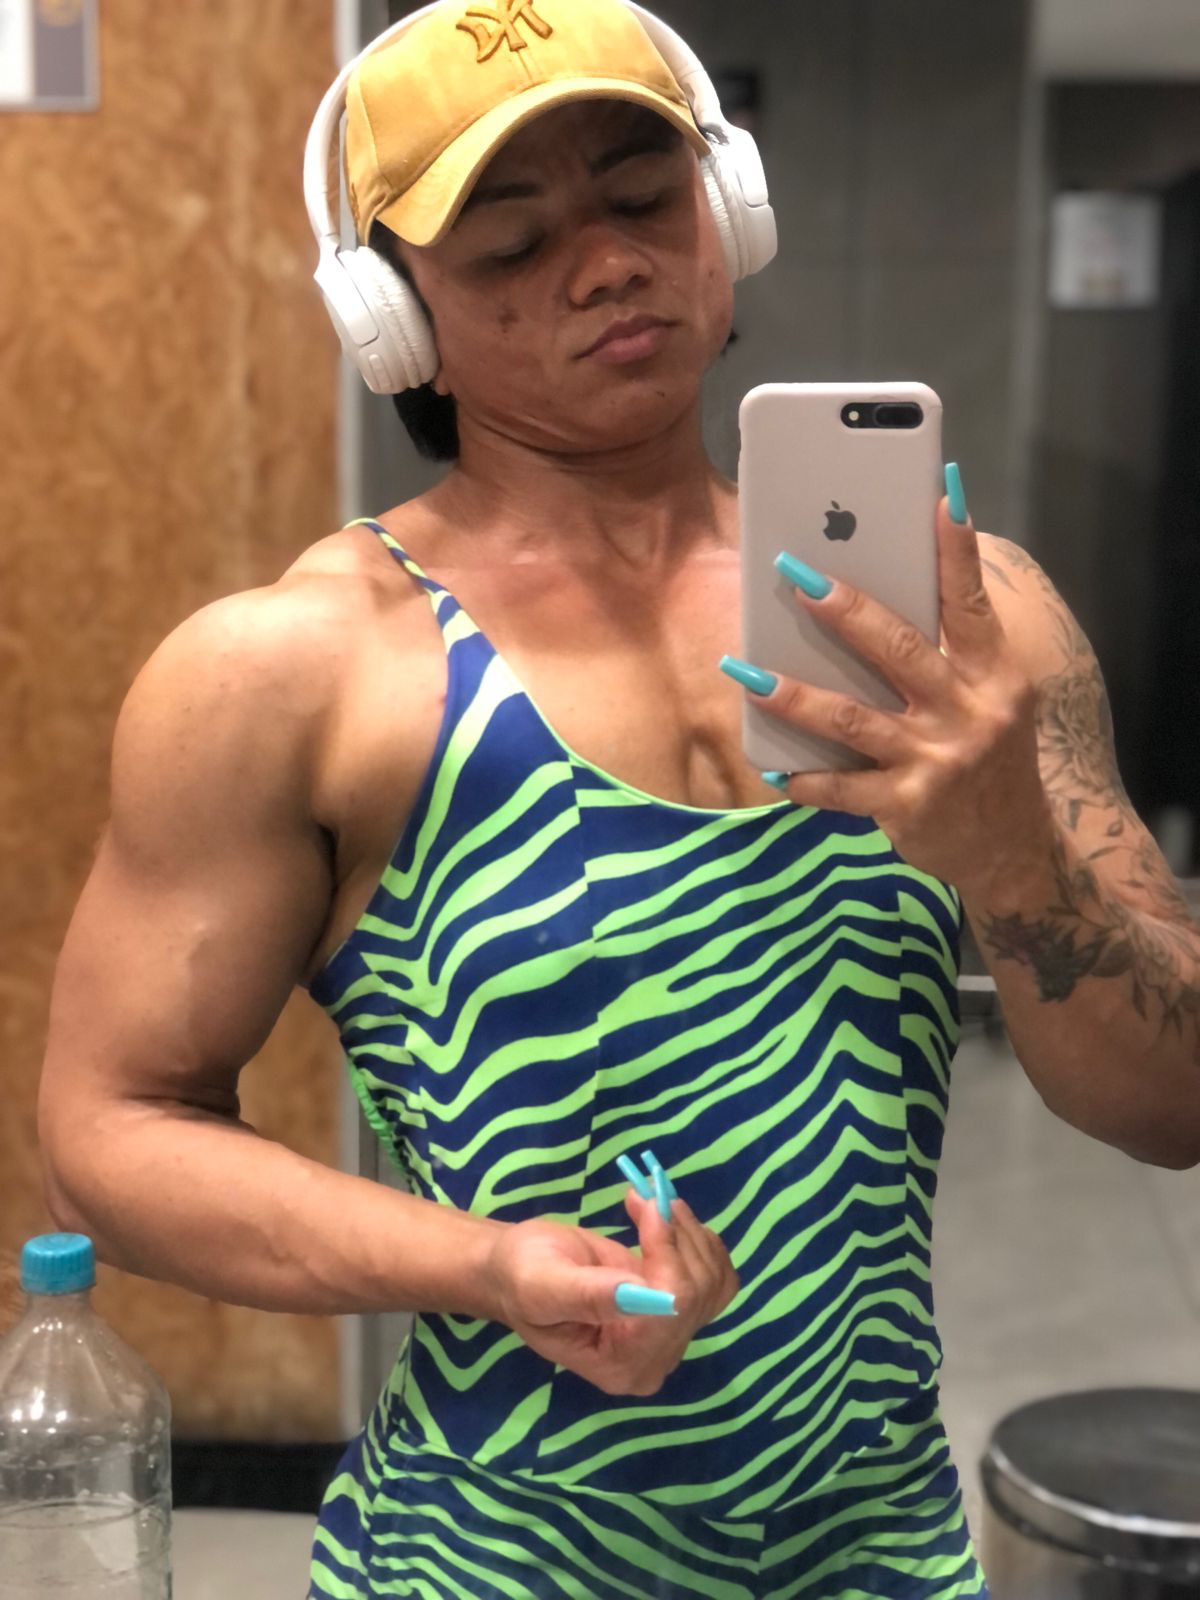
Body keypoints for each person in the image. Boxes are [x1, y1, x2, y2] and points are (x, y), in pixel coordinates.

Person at [38, 1, 1200, 1596]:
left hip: (884, 1550)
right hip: (488, 1558)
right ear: (392, 316)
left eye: (643, 197)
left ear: (727, 212)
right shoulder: (300, 672)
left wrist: (1014, 863)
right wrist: (487, 1266)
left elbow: (1176, 1104)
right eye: (511, 242)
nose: (602, 266)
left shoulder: (971, 622)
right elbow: (109, 1130)